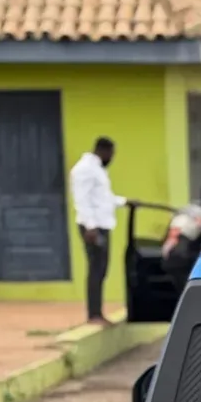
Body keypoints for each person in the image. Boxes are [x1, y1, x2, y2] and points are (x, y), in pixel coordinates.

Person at [69, 137, 125, 324]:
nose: (112, 158)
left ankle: (97, 312)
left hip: (101, 225)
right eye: (111, 154)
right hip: (92, 227)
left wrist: (125, 201)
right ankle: (94, 314)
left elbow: (104, 198)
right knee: (96, 269)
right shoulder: (84, 169)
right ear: (103, 151)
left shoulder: (97, 170)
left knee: (101, 269)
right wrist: (90, 227)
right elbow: (81, 199)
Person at [161, 185, 201, 299]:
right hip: (185, 260)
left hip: (168, 258)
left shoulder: (186, 210)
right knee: (193, 296)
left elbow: (167, 235)